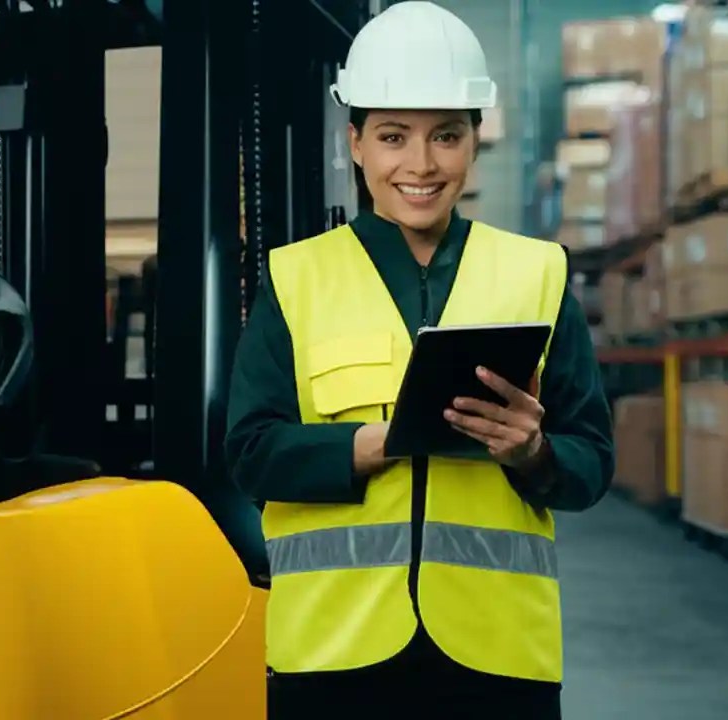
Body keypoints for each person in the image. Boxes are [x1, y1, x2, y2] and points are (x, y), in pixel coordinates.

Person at [224, 3, 614, 718]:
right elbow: (251, 454)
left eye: (446, 135)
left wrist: (533, 452)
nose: (421, 164)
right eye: (394, 136)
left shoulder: (537, 274)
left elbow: (591, 462)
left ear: (474, 139)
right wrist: (367, 446)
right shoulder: (294, 279)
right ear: (357, 143)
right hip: (333, 656)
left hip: (496, 660)